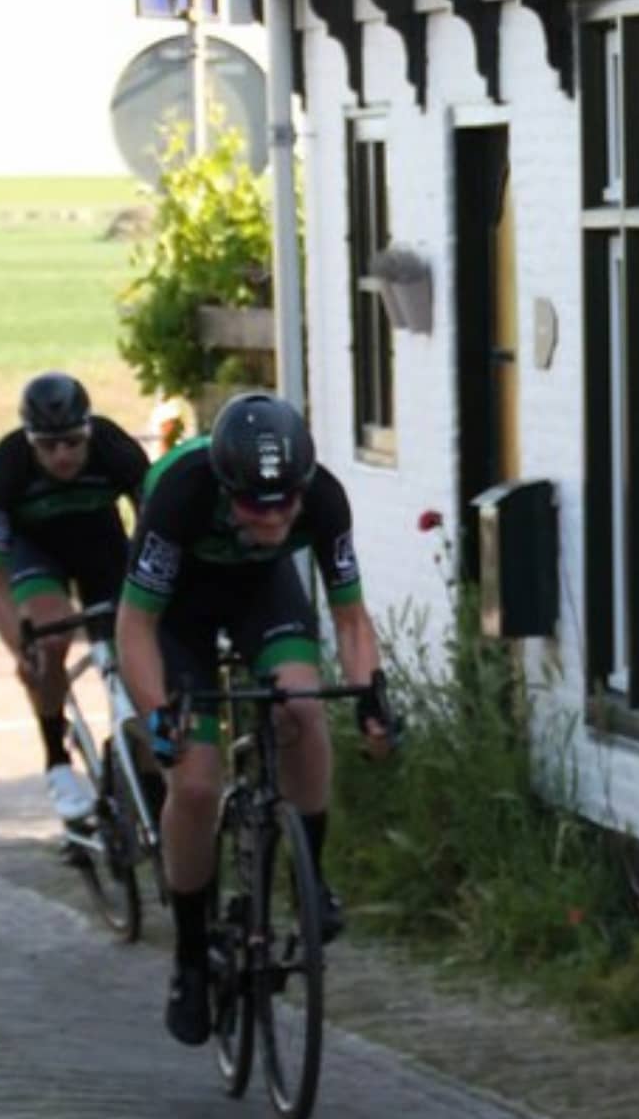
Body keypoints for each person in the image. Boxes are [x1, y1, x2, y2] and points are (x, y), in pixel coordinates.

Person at [116, 392, 393, 1046]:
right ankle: (188, 955)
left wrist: (372, 698)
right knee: (196, 784)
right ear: (225, 486)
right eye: (252, 505)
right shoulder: (181, 496)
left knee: (301, 704)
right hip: (178, 615)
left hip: (261, 595)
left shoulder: (323, 498)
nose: (272, 518)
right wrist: (159, 717)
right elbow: (135, 627)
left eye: (285, 503)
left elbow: (351, 618)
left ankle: (311, 877)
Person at [0, 372, 148, 820]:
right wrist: (23, 644)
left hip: (103, 547)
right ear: (30, 441)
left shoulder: (115, 448)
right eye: (47, 446)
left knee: (138, 645)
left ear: (88, 431)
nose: (62, 455)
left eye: (72, 442)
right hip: (37, 554)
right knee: (50, 639)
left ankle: (139, 753)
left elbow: (158, 528)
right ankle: (57, 761)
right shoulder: (7, 468)